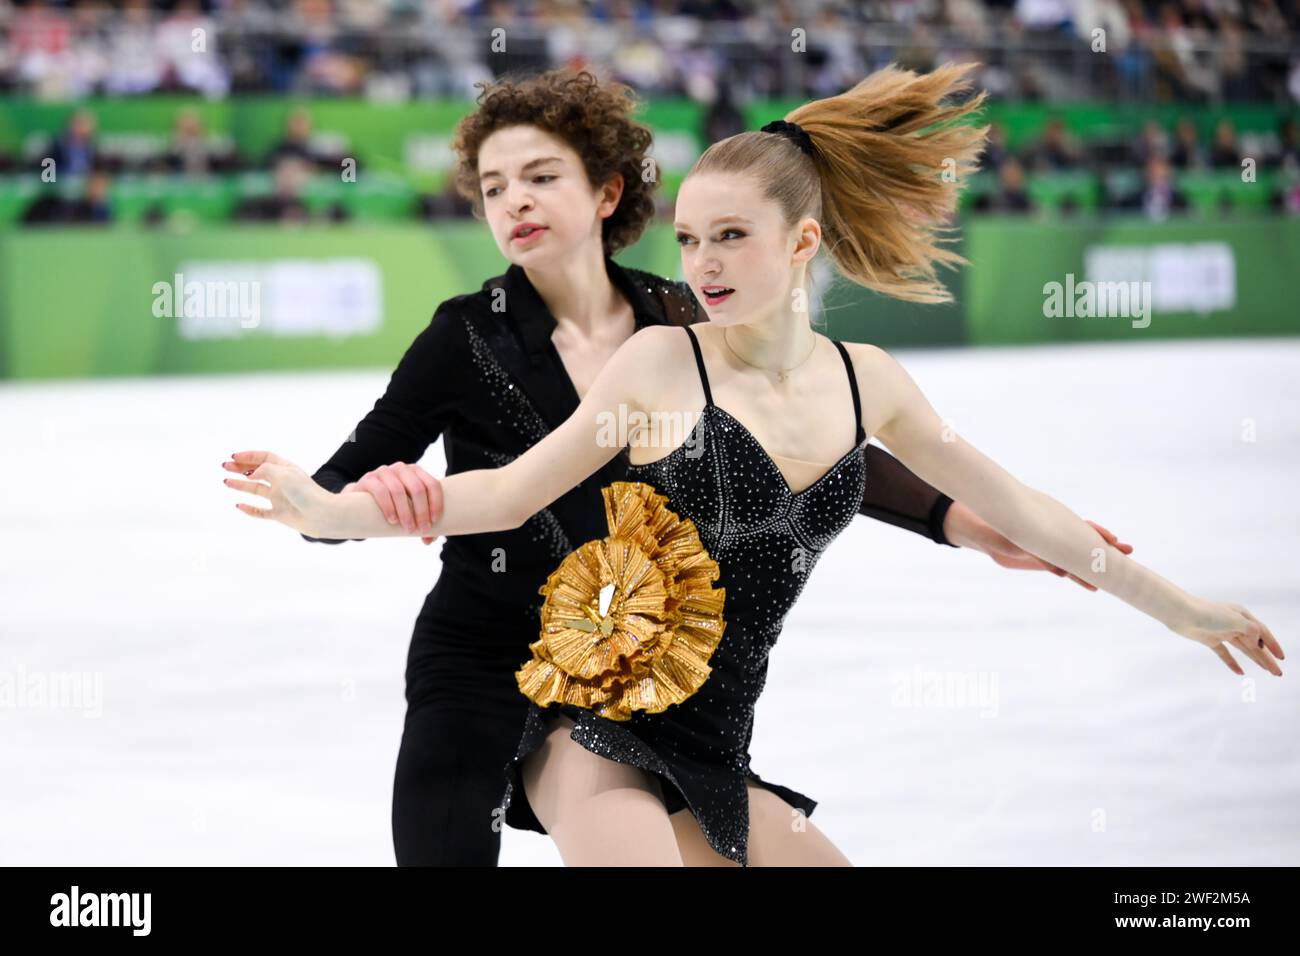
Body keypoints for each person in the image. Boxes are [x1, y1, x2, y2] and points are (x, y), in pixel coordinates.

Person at [222, 67, 1155, 867]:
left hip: (634, 663)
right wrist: (332, 504)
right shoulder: (462, 337)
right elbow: (348, 487)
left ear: (608, 193)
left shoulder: (687, 316)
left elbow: (801, 445)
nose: (514, 201)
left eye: (542, 176)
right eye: (494, 184)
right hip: (484, 652)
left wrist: (956, 520)